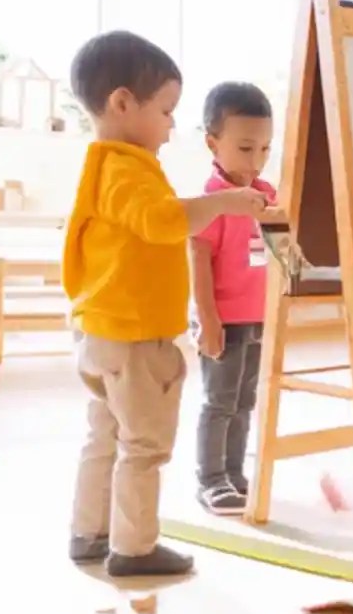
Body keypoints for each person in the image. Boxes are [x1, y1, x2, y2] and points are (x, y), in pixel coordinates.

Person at [63, 31, 274, 576]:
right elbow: (163, 221)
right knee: (144, 445)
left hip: (102, 329)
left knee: (104, 437)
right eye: (165, 111)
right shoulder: (127, 169)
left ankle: (90, 532)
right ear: (122, 103)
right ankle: (133, 548)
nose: (171, 124)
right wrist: (222, 204)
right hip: (134, 336)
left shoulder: (105, 165)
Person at [190, 82, 277, 515]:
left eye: (264, 149)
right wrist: (208, 318)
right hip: (223, 318)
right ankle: (210, 478)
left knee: (245, 400)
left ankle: (233, 471)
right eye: (245, 148)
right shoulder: (213, 200)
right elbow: (198, 257)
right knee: (219, 401)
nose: (255, 161)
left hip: (257, 317)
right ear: (213, 143)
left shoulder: (267, 194)